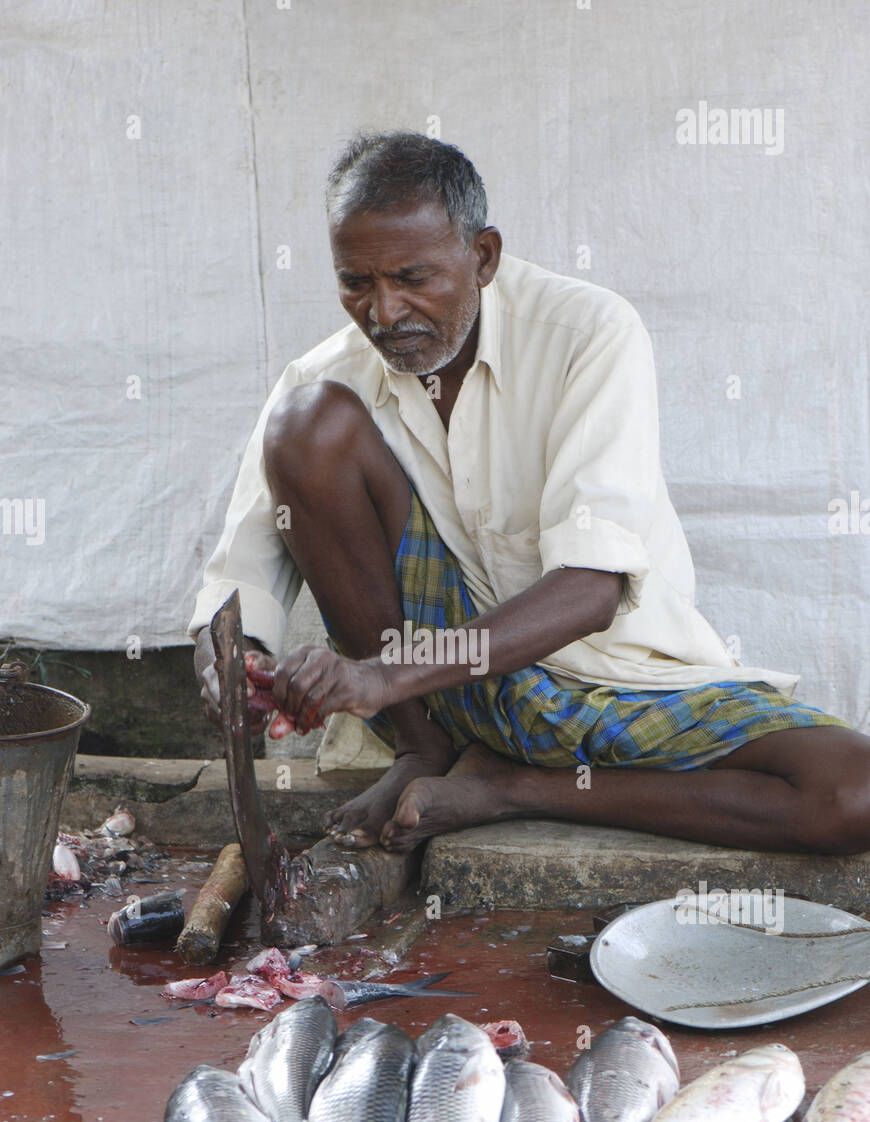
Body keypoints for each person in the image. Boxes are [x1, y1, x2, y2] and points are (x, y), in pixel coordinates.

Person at [190, 131, 870, 857]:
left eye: (413, 278)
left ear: (483, 257)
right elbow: (239, 587)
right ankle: (424, 754)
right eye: (356, 283)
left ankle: (507, 787)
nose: (384, 312)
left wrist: (382, 676)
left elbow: (592, 590)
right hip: (438, 699)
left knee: (852, 794)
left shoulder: (589, 332)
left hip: (613, 680)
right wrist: (235, 663)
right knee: (305, 425)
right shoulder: (325, 376)